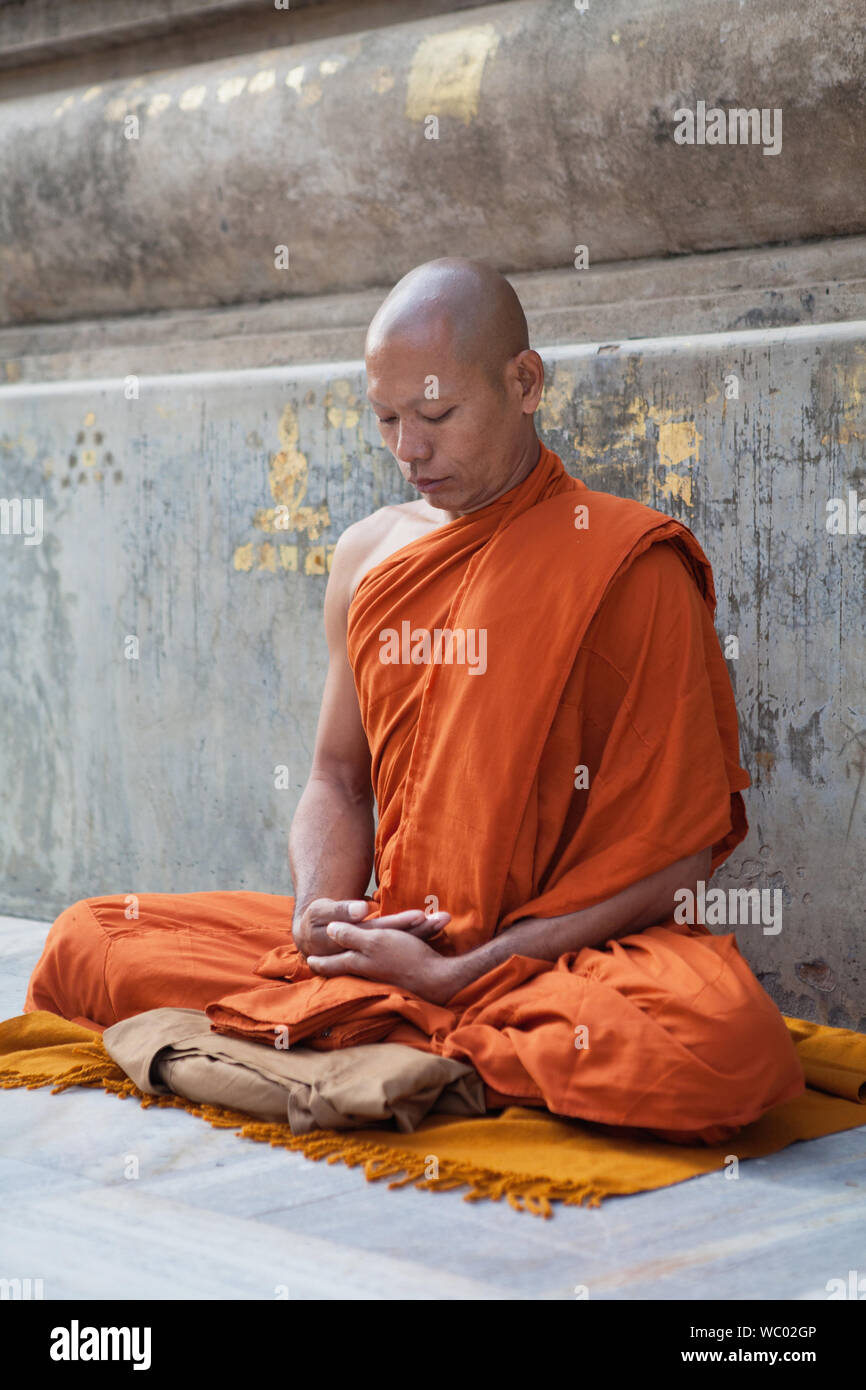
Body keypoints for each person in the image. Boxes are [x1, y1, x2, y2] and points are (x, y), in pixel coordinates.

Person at [25, 258, 805, 1143]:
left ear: (524, 382)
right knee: (88, 938)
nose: (409, 449)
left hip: (551, 957)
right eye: (387, 418)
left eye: (436, 415)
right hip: (389, 934)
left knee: (720, 1047)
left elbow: (679, 859)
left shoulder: (631, 564)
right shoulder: (370, 555)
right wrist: (319, 919)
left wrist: (461, 971)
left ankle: (391, 1027)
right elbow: (336, 781)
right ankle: (388, 1020)